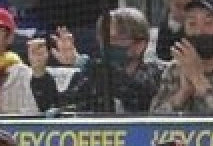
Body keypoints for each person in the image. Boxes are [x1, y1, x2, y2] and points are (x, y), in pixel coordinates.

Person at [28, 8, 165, 114]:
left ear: (139, 45)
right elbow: (55, 107)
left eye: (113, 39)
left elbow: (134, 91)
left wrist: (80, 61)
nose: (106, 45)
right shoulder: (90, 75)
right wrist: (40, 73)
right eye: (103, 39)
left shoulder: (156, 74)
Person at [151, 0, 213, 114]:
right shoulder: (175, 70)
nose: (199, 31)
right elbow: (151, 125)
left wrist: (198, 79)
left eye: (209, 23)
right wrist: (182, 94)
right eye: (192, 23)